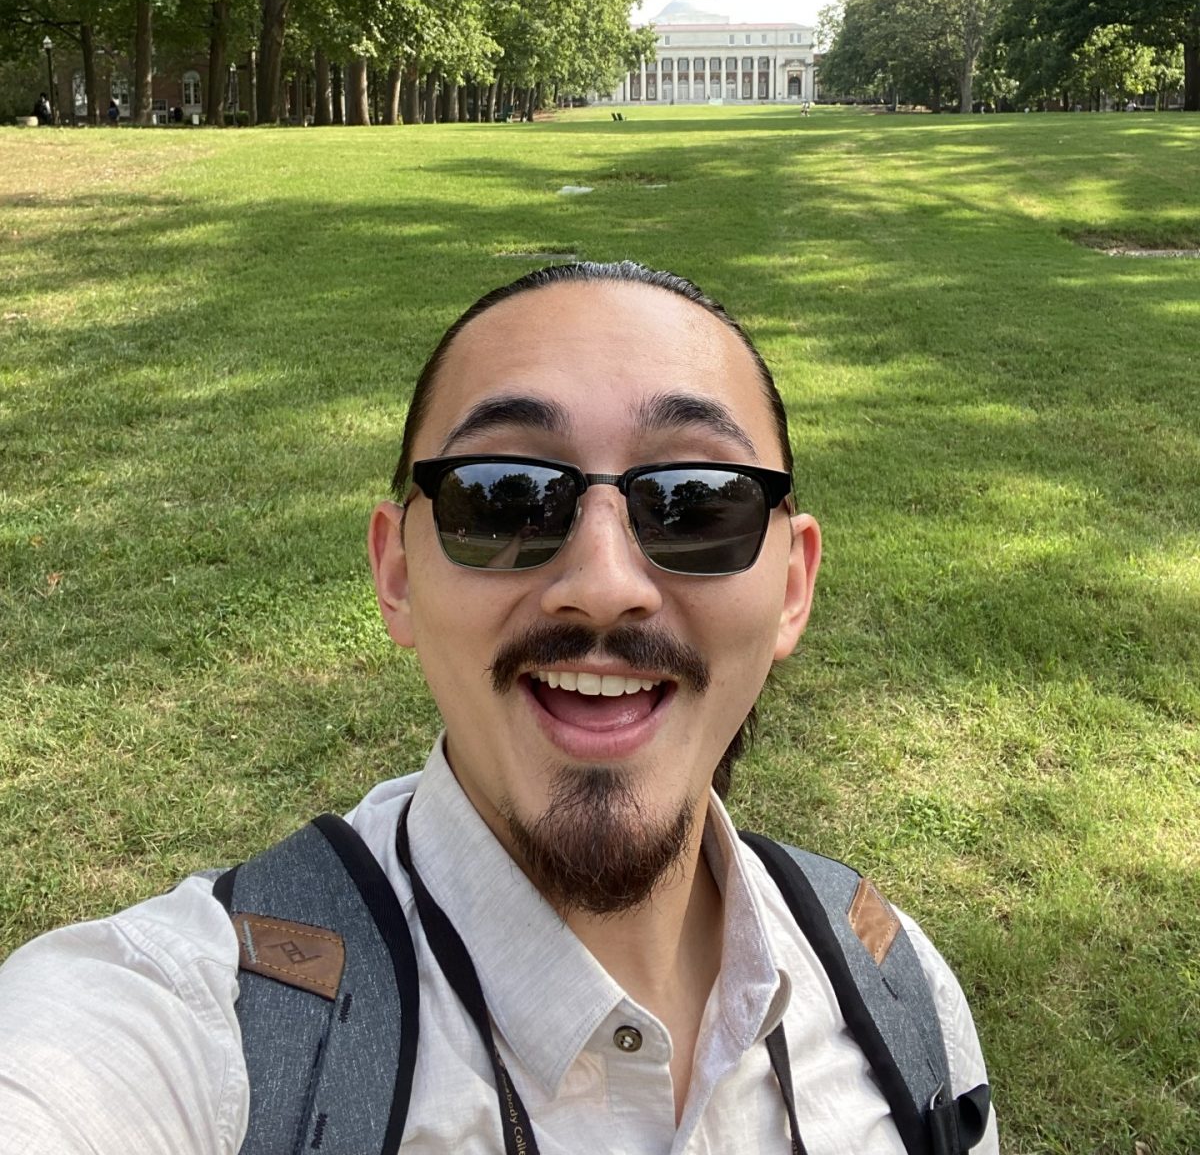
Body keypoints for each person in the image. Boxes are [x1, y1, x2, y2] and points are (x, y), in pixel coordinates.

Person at [0, 262, 997, 1154]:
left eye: (697, 500)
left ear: (791, 587)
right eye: (504, 498)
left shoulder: (898, 993)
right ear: (396, 572)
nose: (604, 585)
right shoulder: (193, 1032)